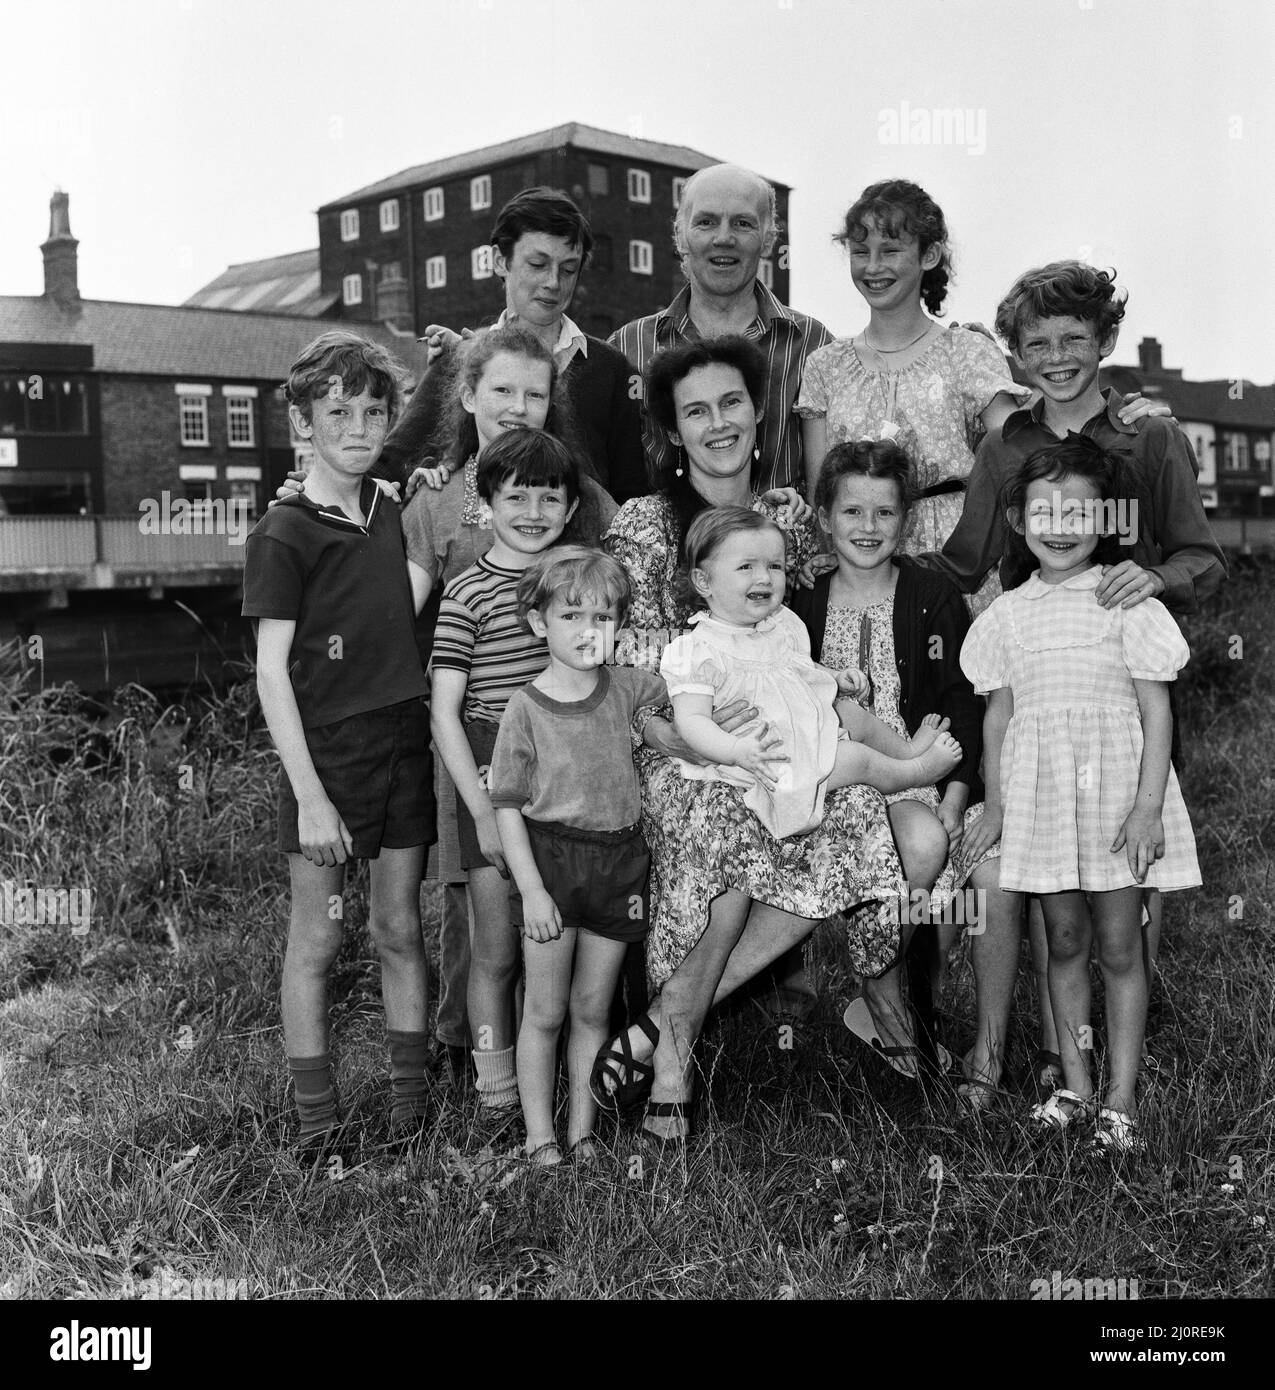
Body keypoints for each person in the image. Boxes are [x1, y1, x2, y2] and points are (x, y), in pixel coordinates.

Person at [275, 324, 618, 1091]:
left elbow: (622, 589)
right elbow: (388, 605)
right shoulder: (432, 498)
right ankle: (479, 1067)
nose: (518, 407)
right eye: (501, 390)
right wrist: (309, 510)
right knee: (482, 917)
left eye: (535, 393)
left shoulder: (578, 496)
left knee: (572, 904)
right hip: (475, 735)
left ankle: (574, 1072)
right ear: (467, 396)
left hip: (575, 743)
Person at [591, 338, 908, 1145]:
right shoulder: (645, 525)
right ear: (672, 428)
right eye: (695, 410)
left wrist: (839, 700)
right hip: (676, 744)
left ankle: (663, 1021)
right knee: (729, 842)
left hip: (777, 741)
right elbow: (627, 673)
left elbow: (803, 637)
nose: (719, 423)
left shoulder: (788, 520)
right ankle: (674, 1063)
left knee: (854, 819)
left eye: (731, 403)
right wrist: (683, 737)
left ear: (756, 412)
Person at [923, 260, 1227, 1090]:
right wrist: (860, 559)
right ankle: (1069, 1059)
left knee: (1130, 885)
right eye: (1036, 344)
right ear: (1015, 357)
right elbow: (964, 559)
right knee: (1061, 901)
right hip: (1039, 679)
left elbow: (1201, 553)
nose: (1055, 357)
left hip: (1129, 686)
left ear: (1105, 342)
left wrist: (1157, 579)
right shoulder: (1006, 442)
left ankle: (1131, 1045)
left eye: (1072, 340)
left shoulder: (1147, 433)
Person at [959, 436, 1201, 1153]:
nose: (1058, 526)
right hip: (1043, 804)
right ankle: (1076, 1085)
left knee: (1120, 947)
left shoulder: (1123, 598)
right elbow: (998, 716)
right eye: (1043, 511)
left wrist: (1147, 806)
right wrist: (998, 806)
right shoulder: (1006, 614)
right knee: (1060, 944)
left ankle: (1120, 1098)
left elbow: (1155, 710)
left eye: (1076, 512)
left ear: (1106, 522)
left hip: (1115, 803)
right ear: (1016, 519)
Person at [241, 331, 434, 1152]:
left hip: (404, 743)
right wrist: (312, 796)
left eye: (373, 410)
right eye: (338, 411)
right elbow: (270, 675)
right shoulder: (284, 531)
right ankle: (317, 1128)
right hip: (327, 758)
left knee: (399, 929)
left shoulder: (398, 511)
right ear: (304, 423)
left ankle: (409, 1110)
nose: (358, 425)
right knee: (318, 938)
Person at [789, 441, 1013, 1095]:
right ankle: (887, 1002)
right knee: (916, 852)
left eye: (883, 512)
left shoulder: (931, 594)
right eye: (850, 511)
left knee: (965, 865)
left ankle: (954, 1034)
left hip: (925, 778)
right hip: (833, 783)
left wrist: (954, 794)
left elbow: (962, 707)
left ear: (905, 519)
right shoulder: (801, 600)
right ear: (824, 518)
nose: (866, 527)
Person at [489, 548, 667, 1165]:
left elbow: (692, 693)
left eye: (603, 617)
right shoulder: (524, 709)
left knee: (593, 1008)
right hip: (552, 863)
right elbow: (506, 807)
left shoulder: (630, 687)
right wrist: (532, 890)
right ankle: (540, 1138)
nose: (589, 631)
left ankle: (582, 1133)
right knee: (545, 1010)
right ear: (539, 623)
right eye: (572, 616)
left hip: (619, 862)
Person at [429, 428, 582, 1136]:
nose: (531, 510)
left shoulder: (578, 583)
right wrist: (483, 812)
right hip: (492, 768)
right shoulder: (465, 591)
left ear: (571, 505)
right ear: (484, 501)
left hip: (570, 767)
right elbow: (444, 712)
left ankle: (552, 1090)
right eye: (514, 495)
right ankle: (494, 1097)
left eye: (548, 497)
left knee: (555, 942)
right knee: (494, 950)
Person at [796, 179, 1033, 615]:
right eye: (860, 251)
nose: (872, 267)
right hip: (860, 557)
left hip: (958, 558)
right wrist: (826, 547)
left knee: (956, 679)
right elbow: (820, 489)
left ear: (928, 255)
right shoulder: (824, 366)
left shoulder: (968, 351)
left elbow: (1014, 452)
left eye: (890, 251)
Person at [663, 505, 962, 839]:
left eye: (774, 566)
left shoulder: (780, 624)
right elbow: (692, 721)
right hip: (769, 758)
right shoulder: (696, 651)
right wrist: (735, 750)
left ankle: (905, 748)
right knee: (851, 758)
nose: (764, 577)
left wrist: (833, 677)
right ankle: (915, 771)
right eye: (746, 566)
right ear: (704, 581)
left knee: (849, 712)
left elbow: (797, 669)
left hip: (801, 729)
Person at [407, 186, 646, 503]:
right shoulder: (459, 359)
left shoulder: (614, 371)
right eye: (537, 264)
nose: (553, 282)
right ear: (499, 261)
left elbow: (634, 497)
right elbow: (391, 466)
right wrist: (418, 480)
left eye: (568, 269)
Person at [610, 162, 833, 497]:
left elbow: (832, 482)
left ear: (768, 239)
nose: (724, 238)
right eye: (706, 222)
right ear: (681, 236)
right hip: (660, 546)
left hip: (784, 545)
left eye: (742, 223)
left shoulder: (813, 345)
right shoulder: (627, 347)